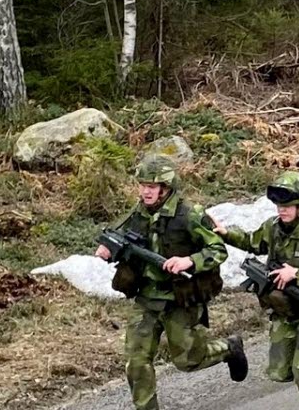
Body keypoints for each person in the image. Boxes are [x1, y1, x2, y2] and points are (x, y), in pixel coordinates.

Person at [96, 155, 247, 410]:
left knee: (188, 360)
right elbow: (120, 236)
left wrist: (189, 260)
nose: (145, 191)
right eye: (143, 185)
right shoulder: (138, 213)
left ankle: (229, 348)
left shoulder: (189, 215)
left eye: (151, 187)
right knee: (136, 361)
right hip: (147, 299)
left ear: (165, 189)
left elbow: (217, 250)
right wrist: (108, 248)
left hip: (180, 299)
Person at [215, 171, 299, 409]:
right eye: (279, 205)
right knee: (279, 372)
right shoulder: (273, 228)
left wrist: (296, 274)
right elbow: (253, 241)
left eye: (288, 205)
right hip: (285, 308)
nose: (282, 210)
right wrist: (225, 234)